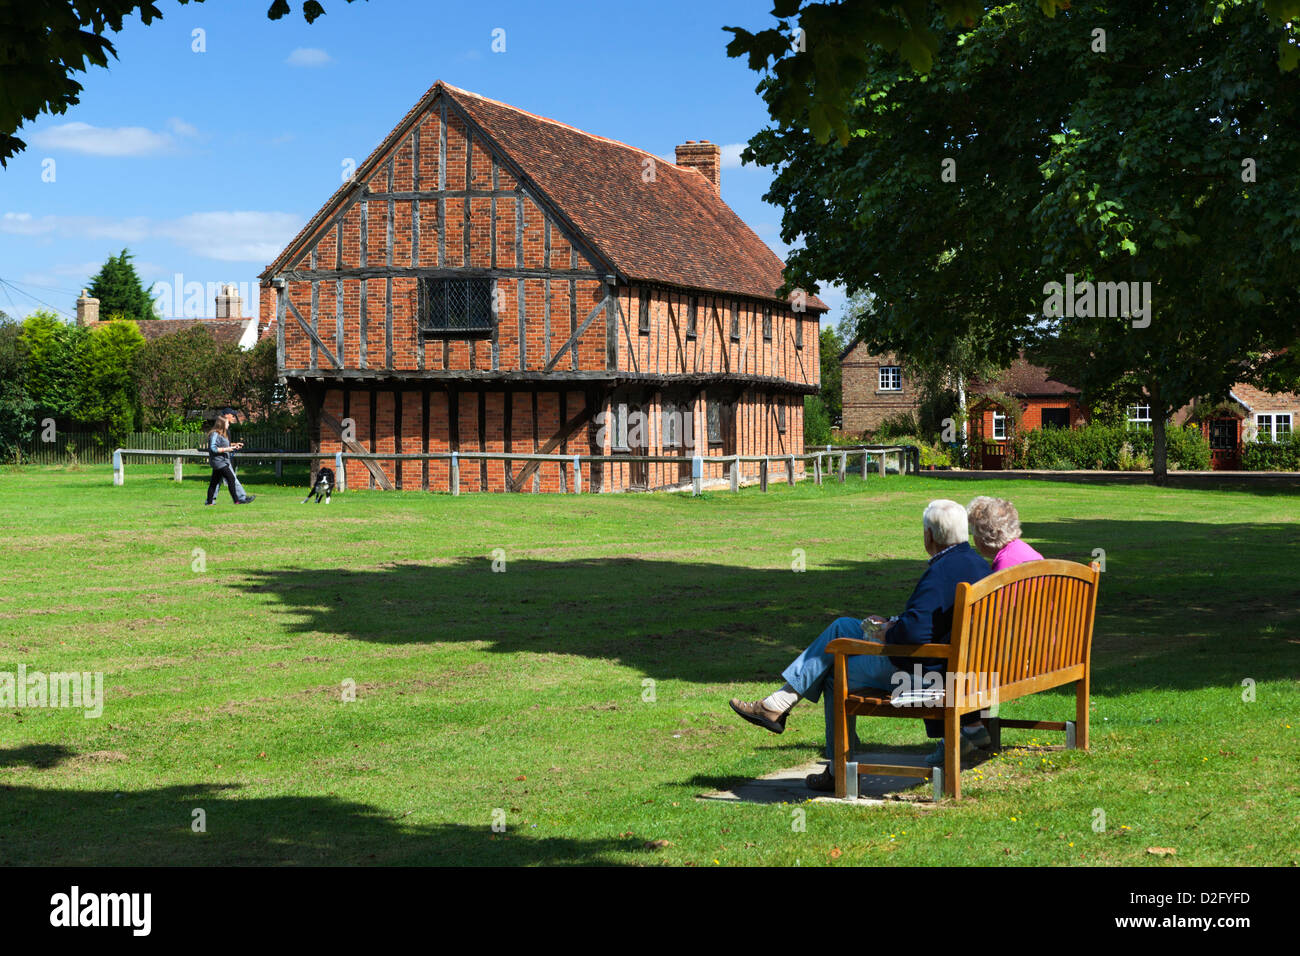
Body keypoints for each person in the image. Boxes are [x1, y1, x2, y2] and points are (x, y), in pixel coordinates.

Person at [728, 499, 990, 791]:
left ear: (929, 536)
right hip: (965, 671)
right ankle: (778, 703)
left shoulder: (940, 572)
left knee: (833, 672)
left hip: (928, 675)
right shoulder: (977, 564)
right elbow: (933, 620)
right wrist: (893, 622)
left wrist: (888, 632)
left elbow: (914, 634)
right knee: (842, 627)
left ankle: (838, 765)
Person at [205, 414, 255, 506]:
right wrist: (228, 449)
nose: (228, 425)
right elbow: (213, 448)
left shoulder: (222, 434)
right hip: (219, 462)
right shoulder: (215, 434)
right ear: (222, 424)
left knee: (214, 482)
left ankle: (209, 502)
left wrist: (234, 446)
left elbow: (223, 445)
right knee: (231, 478)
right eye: (227, 423)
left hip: (223, 461)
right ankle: (237, 500)